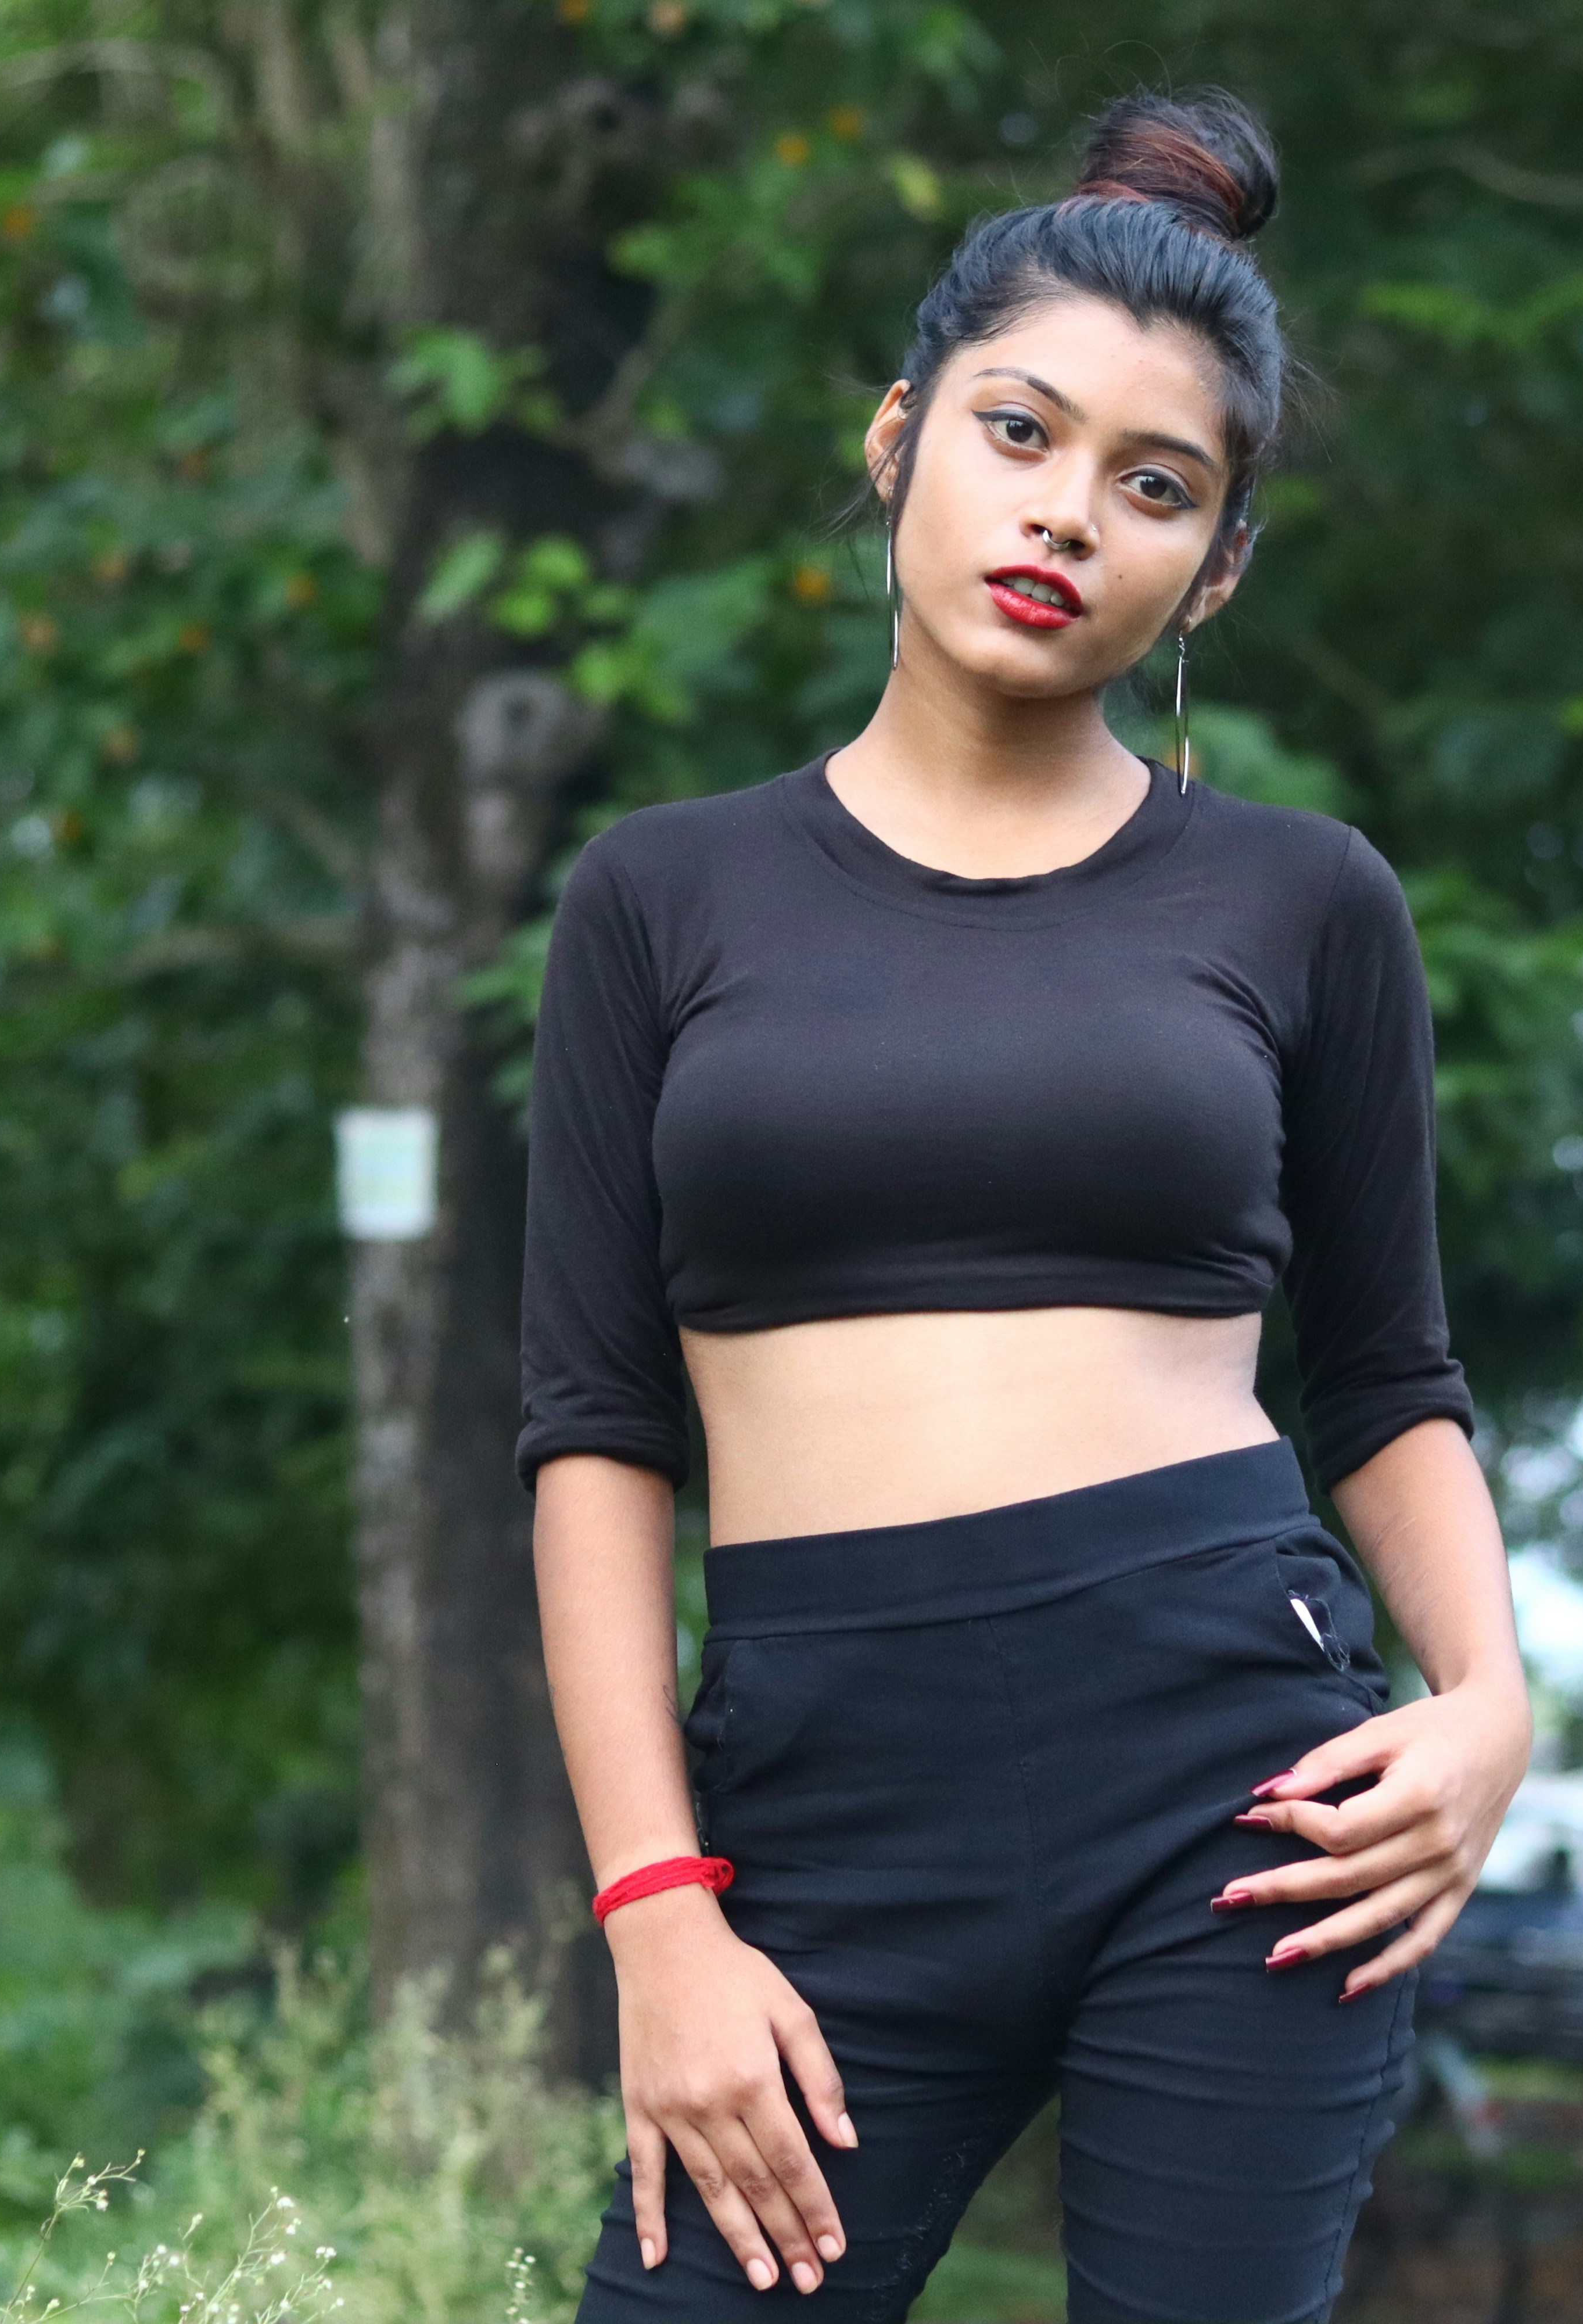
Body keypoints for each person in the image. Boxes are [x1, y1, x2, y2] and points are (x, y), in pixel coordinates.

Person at [522, 86, 1531, 2324]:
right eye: (1021, 433)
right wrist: (660, 1913)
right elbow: (597, 1427)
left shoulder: (1304, 903)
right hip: (815, 1814)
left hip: (1239, 1801)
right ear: (900, 436)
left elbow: (1387, 1380)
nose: (1069, 514)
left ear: (1221, 566)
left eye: (1154, 487)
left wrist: (1490, 1703)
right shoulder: (659, 897)